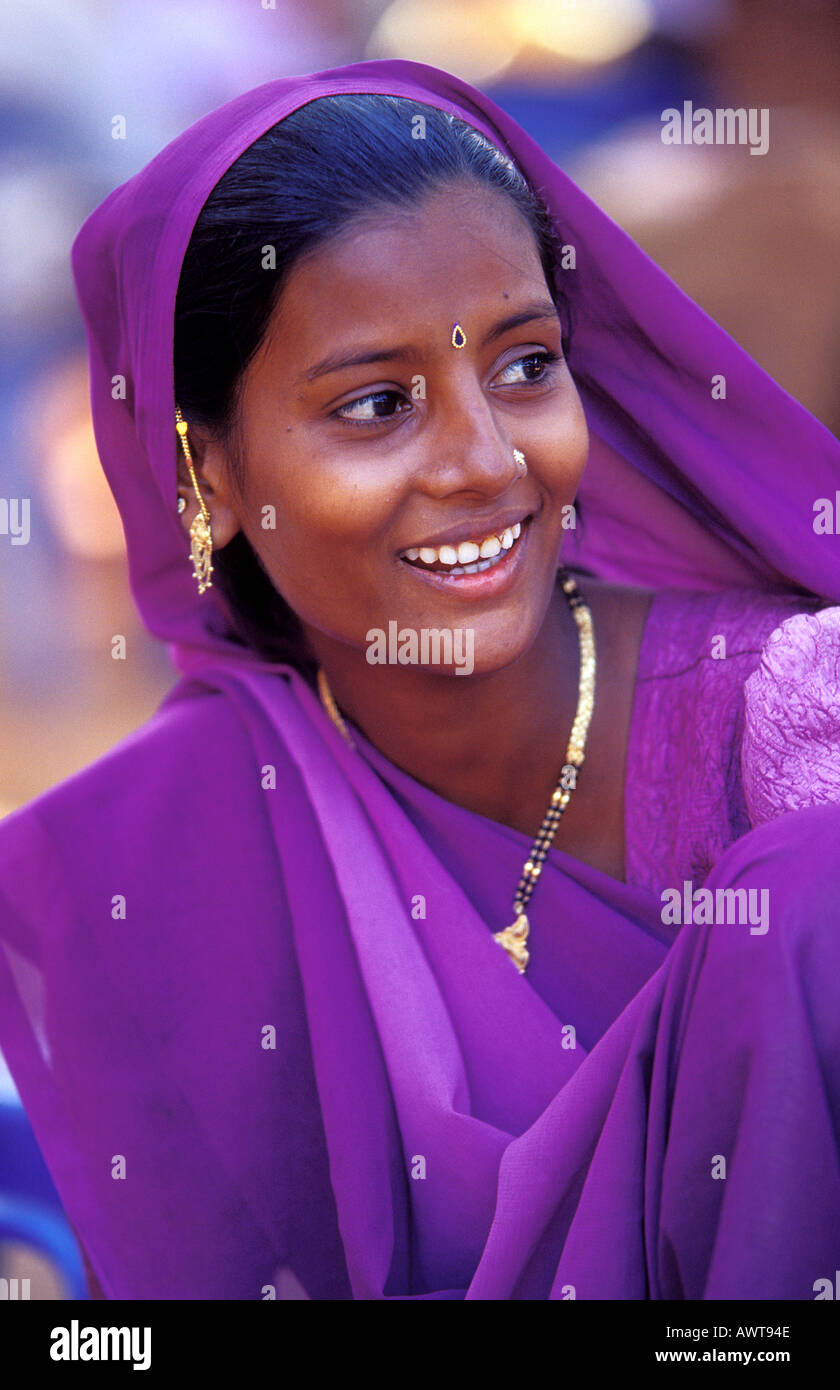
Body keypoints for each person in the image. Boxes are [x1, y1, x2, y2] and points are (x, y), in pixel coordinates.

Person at [0, 59, 838, 1302]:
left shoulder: (792, 738)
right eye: (381, 402)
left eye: (523, 367)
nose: (489, 461)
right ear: (207, 477)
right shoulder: (147, 852)